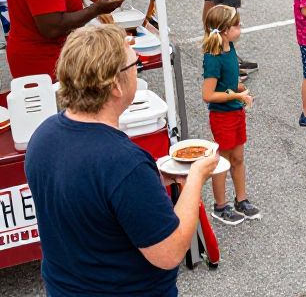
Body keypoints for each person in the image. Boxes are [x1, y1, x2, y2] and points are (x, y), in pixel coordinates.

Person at [25, 25, 218, 296]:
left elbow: (88, 198)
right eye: (135, 65)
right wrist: (195, 177)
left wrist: (153, 178)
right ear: (115, 85)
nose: (137, 70)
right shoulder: (124, 164)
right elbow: (169, 252)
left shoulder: (43, 136)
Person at [201, 5, 261, 225]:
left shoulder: (230, 48)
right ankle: (220, 206)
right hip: (223, 116)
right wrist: (235, 95)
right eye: (237, 25)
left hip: (235, 112)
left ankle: (241, 199)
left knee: (238, 158)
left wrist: (240, 90)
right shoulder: (214, 57)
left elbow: (230, 81)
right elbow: (208, 94)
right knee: (222, 162)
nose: (240, 27)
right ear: (225, 30)